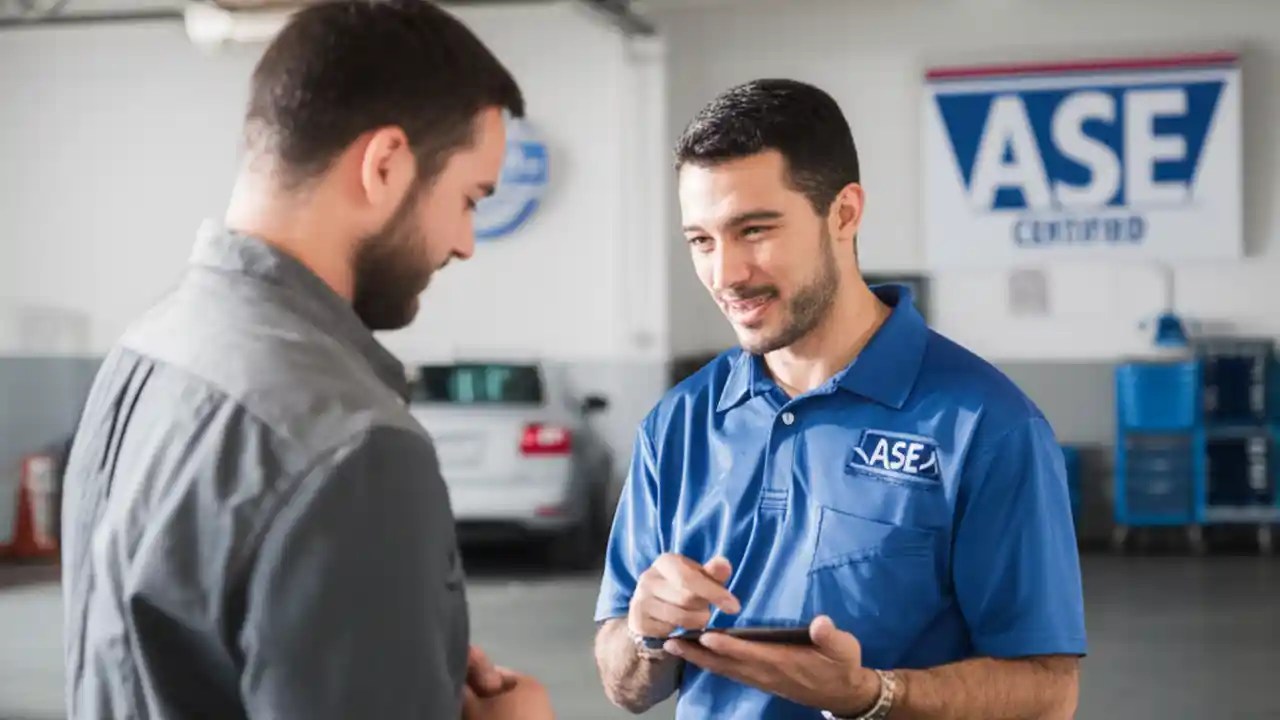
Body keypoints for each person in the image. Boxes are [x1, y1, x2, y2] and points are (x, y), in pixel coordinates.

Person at [59, 1, 554, 718]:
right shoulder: (353, 447)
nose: (465, 242)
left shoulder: (144, 353)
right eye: (469, 199)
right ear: (385, 165)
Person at [593, 79, 1086, 719]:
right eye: (702, 240)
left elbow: (1048, 692)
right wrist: (644, 634)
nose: (726, 274)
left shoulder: (985, 426)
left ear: (845, 213)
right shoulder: (677, 424)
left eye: (755, 230)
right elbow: (624, 684)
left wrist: (873, 697)